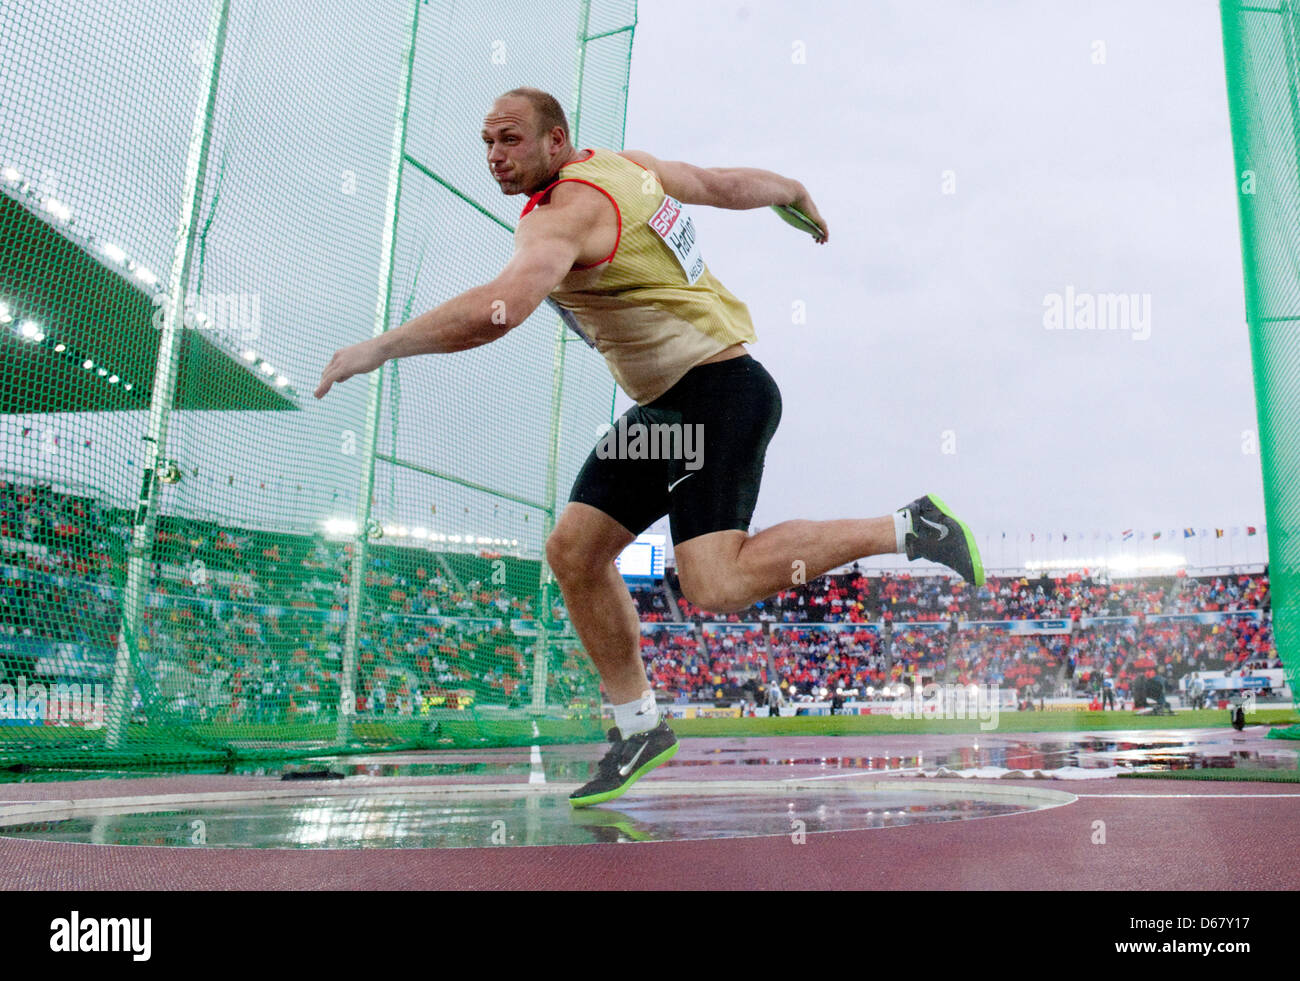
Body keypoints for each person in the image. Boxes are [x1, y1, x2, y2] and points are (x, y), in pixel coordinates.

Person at [314, 87, 984, 807]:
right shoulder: (625, 166)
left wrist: (381, 346)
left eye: (509, 140)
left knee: (715, 582)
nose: (494, 158)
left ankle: (911, 526)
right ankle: (639, 727)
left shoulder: (565, 216)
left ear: (556, 140)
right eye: (486, 142)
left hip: (719, 392)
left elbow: (498, 310)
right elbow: (720, 185)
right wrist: (789, 189)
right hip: (667, 407)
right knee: (574, 550)